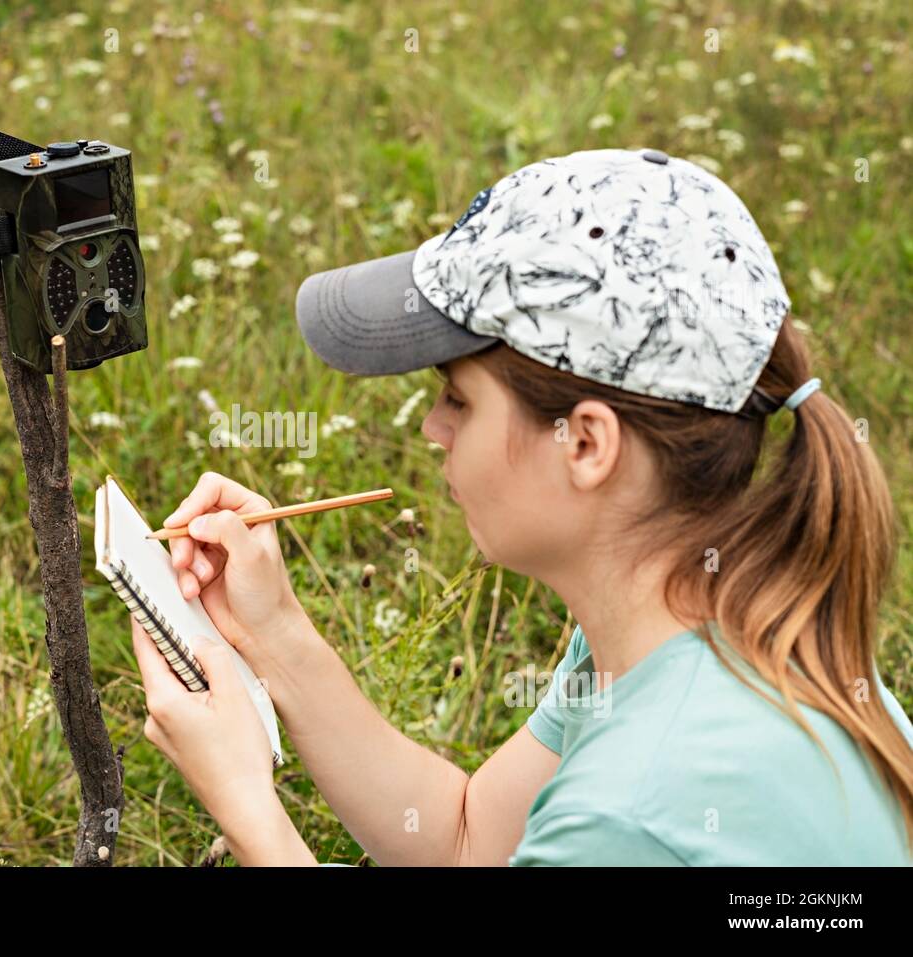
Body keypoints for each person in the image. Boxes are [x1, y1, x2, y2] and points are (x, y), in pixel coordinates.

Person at [128, 147, 913, 866]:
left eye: (459, 399)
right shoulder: (717, 624)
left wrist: (246, 807)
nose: (433, 427)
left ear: (586, 445)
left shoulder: (631, 815)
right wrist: (273, 633)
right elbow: (468, 839)